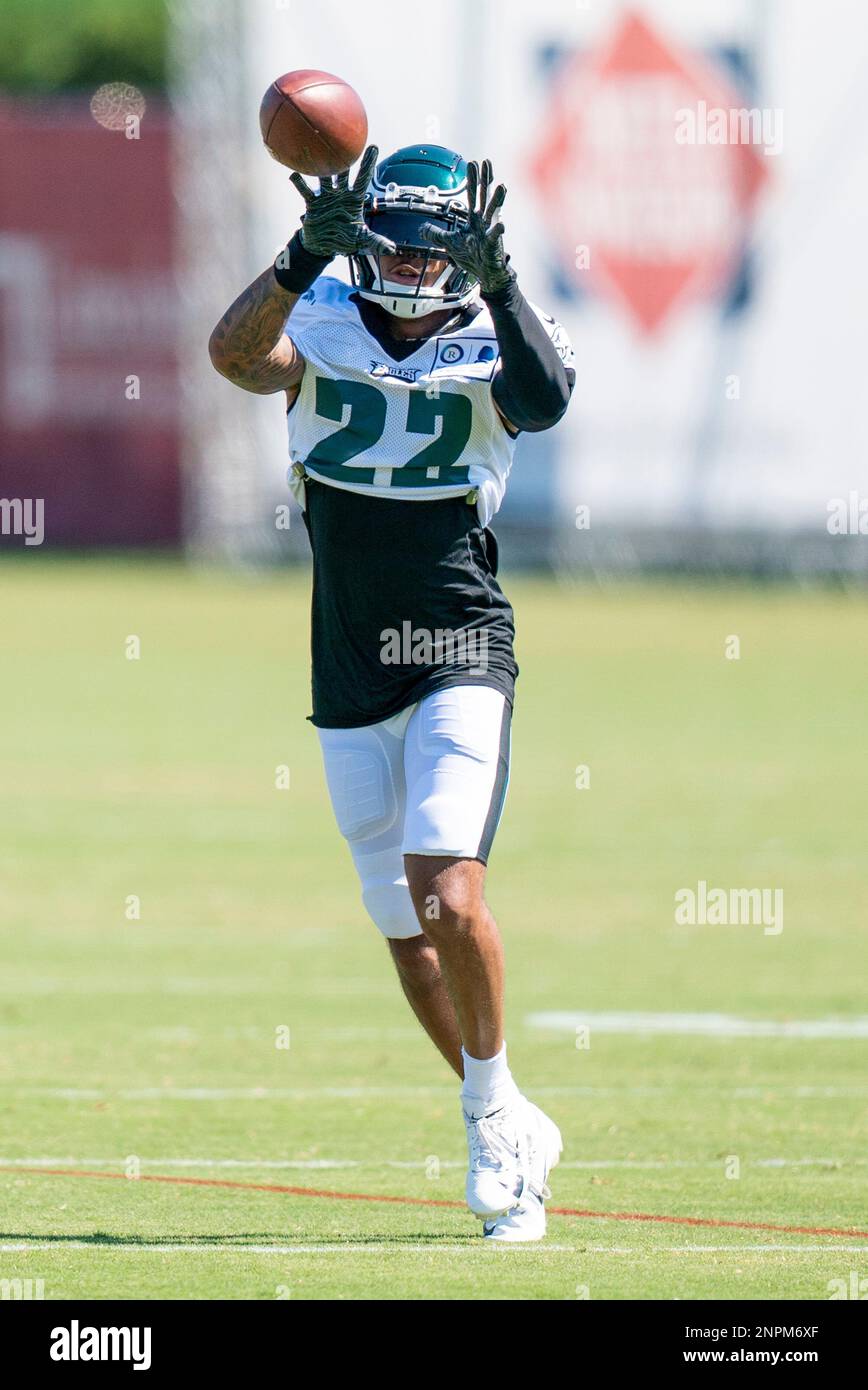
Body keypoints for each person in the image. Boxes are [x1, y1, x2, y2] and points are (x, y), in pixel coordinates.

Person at [209, 143, 575, 1241]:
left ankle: (491, 1119)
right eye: (396, 244)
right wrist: (290, 260)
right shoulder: (316, 310)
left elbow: (544, 402)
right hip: (347, 660)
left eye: (435, 248)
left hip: (460, 642)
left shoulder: (501, 324)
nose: (414, 267)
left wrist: (504, 285)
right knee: (404, 930)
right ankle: (501, 1106)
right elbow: (235, 358)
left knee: (448, 893)